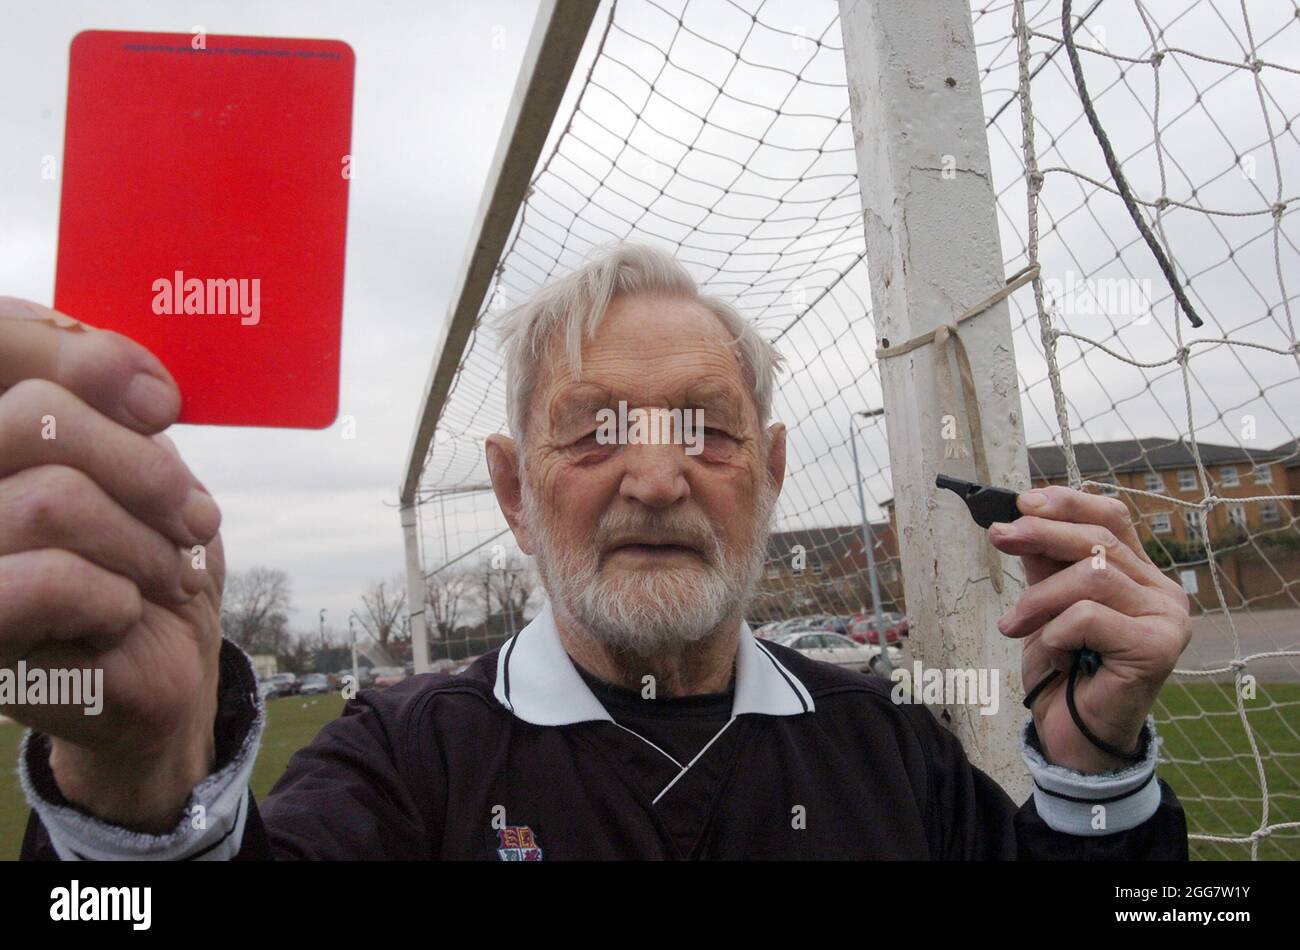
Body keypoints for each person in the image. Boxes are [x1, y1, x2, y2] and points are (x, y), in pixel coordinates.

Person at [5, 244, 1190, 860]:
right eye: (595, 429)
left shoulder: (887, 747)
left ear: (769, 473)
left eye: (706, 428)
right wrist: (136, 782)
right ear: (515, 489)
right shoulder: (402, 762)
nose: (658, 474)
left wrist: (1094, 763)